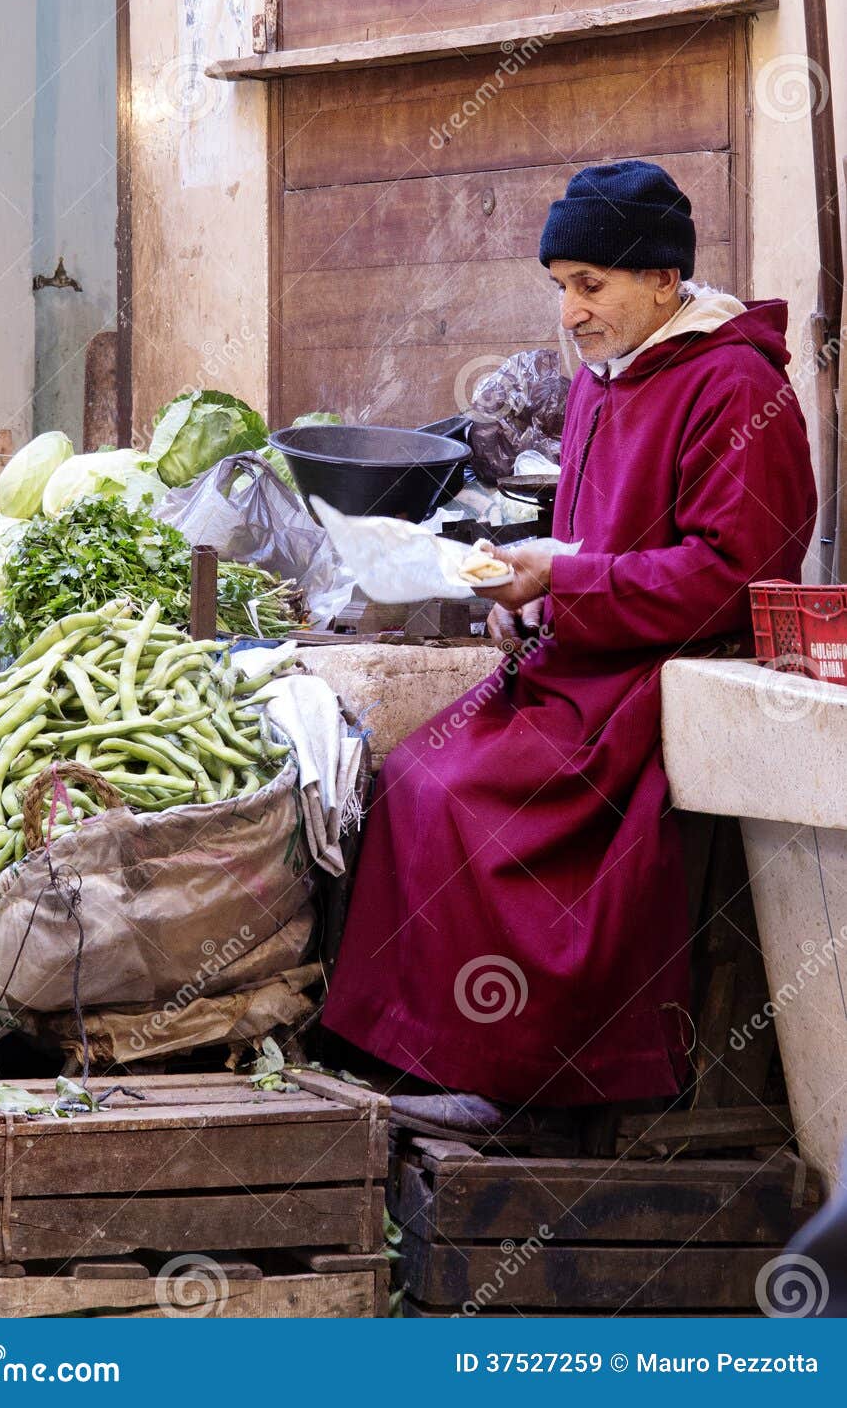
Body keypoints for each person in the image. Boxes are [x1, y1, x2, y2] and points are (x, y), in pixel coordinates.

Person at [322, 160, 817, 1121]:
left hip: (667, 672)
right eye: (559, 287)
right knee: (412, 771)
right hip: (584, 657)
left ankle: (517, 1078)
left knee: (474, 805)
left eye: (590, 286)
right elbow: (582, 544)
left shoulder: (737, 387)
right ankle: (420, 1054)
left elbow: (735, 574)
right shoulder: (599, 382)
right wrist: (526, 596)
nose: (570, 312)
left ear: (663, 281)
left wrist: (567, 582)